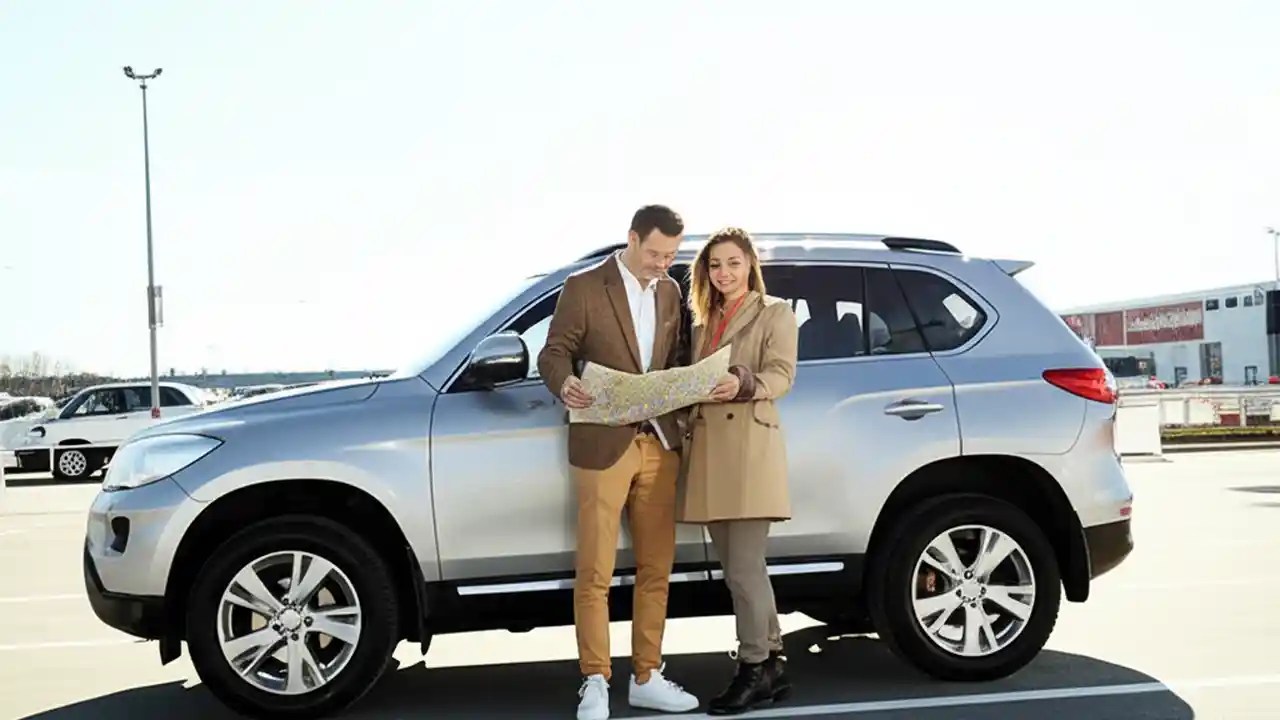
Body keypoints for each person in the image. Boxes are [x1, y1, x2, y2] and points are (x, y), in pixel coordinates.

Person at [537, 204, 701, 720]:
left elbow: (672, 363)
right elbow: (554, 352)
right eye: (654, 253)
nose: (661, 264)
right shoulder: (584, 287)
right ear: (631, 238)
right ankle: (595, 680)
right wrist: (565, 383)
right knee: (595, 570)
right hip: (602, 444)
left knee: (657, 568)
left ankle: (648, 676)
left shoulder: (672, 292)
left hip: (659, 442)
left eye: (670, 256)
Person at [677, 226, 799, 715]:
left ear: (750, 263)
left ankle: (752, 669)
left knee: (744, 569)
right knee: (741, 570)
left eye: (732, 262)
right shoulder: (703, 324)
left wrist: (743, 383)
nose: (723, 273)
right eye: (714, 265)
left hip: (748, 449)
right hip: (710, 453)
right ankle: (771, 661)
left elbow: (782, 375)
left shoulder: (775, 313)